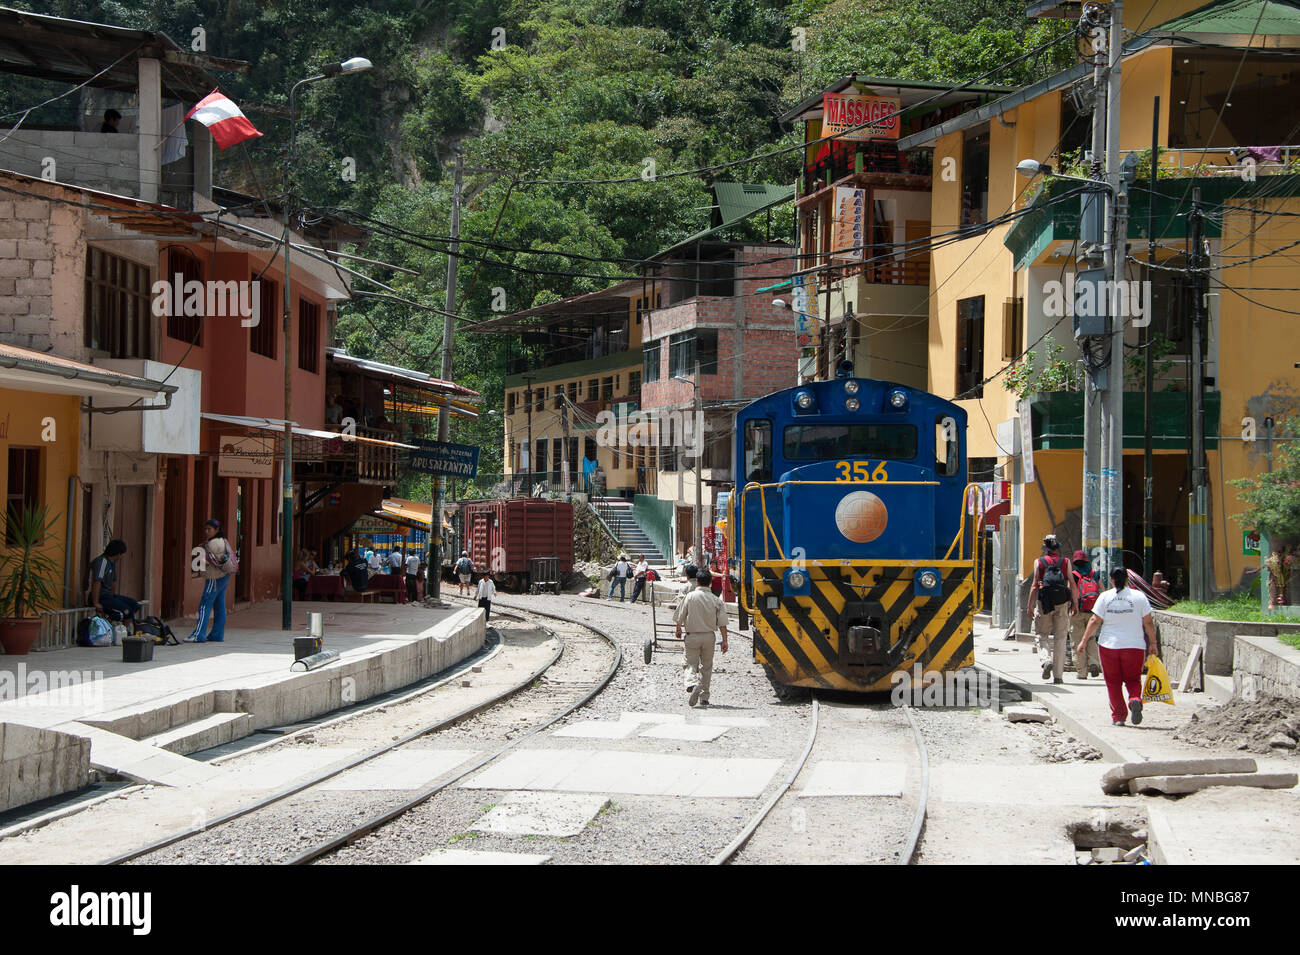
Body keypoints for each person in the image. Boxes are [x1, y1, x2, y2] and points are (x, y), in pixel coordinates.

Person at [1077, 567, 1158, 726]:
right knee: (1133, 679)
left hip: (1109, 646)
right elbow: (1148, 622)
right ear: (1128, 579)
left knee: (1113, 682)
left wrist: (1084, 641)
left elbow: (1095, 620)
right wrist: (1153, 643)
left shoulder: (1105, 597)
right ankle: (1135, 699)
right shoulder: (1139, 597)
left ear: (1111, 579)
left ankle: (1119, 717)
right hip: (1134, 646)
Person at [674, 567, 729, 707]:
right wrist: (725, 641)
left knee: (689, 663)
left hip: (692, 636)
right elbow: (722, 623)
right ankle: (704, 697)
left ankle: (693, 684)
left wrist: (679, 628)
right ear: (710, 582)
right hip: (709, 637)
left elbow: (681, 615)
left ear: (697, 581)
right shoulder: (716, 600)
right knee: (707, 667)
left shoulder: (690, 596)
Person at [1026, 534, 1077, 684]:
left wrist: (1030, 605)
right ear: (1057, 547)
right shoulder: (1065, 562)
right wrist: (1074, 603)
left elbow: (1035, 585)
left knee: (1041, 634)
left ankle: (1046, 659)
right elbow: (1072, 584)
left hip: (1044, 603)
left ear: (1045, 548)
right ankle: (1058, 676)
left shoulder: (1039, 562)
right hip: (1062, 603)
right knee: (1061, 638)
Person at [187, 519, 233, 643]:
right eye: (206, 529)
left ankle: (199, 634)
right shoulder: (223, 541)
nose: (207, 532)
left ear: (216, 530)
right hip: (224, 577)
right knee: (219, 606)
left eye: (209, 529)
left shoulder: (212, 544)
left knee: (204, 605)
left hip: (214, 577)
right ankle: (217, 634)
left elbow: (205, 562)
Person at [89, 539, 141, 627]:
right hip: (102, 596)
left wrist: (114, 598)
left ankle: (124, 630)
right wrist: (96, 602)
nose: (121, 557)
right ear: (117, 553)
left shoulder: (112, 564)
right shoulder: (102, 562)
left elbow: (113, 583)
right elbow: (97, 581)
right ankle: (104, 627)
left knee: (134, 605)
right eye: (121, 554)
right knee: (125, 611)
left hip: (109, 596)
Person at [1069, 549, 1103, 680]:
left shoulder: (1074, 575)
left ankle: (1082, 672)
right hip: (1092, 611)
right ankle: (1094, 662)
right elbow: (1103, 591)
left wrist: (1071, 606)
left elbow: (1070, 591)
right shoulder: (1095, 574)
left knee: (1077, 640)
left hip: (1077, 612)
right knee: (1090, 638)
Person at [1267, 545, 1292, 609]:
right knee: (1273, 586)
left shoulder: (1282, 561)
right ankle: (1272, 602)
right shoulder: (1273, 561)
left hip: (1281, 576)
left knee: (1281, 587)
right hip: (1275, 577)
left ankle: (1280, 599)